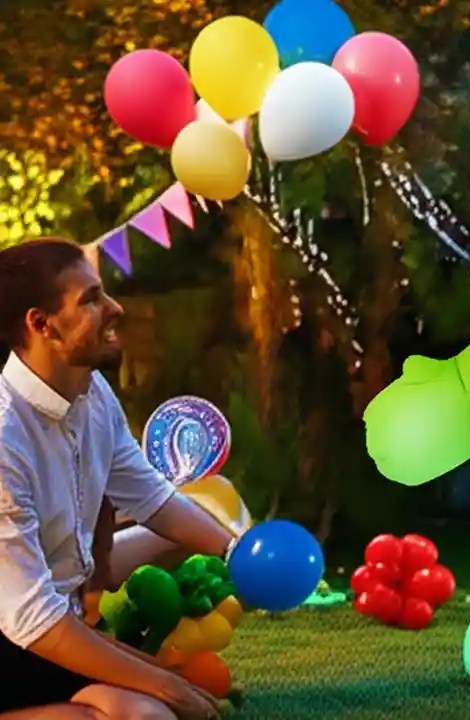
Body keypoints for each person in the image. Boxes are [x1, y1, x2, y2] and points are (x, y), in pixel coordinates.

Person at [0, 238, 235, 719]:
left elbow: (152, 498)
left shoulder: (92, 394)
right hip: (20, 635)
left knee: (158, 701)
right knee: (151, 713)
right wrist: (171, 688)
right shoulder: (4, 435)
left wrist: (243, 555)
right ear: (41, 325)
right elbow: (32, 620)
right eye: (90, 299)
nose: (114, 308)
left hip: (59, 612)